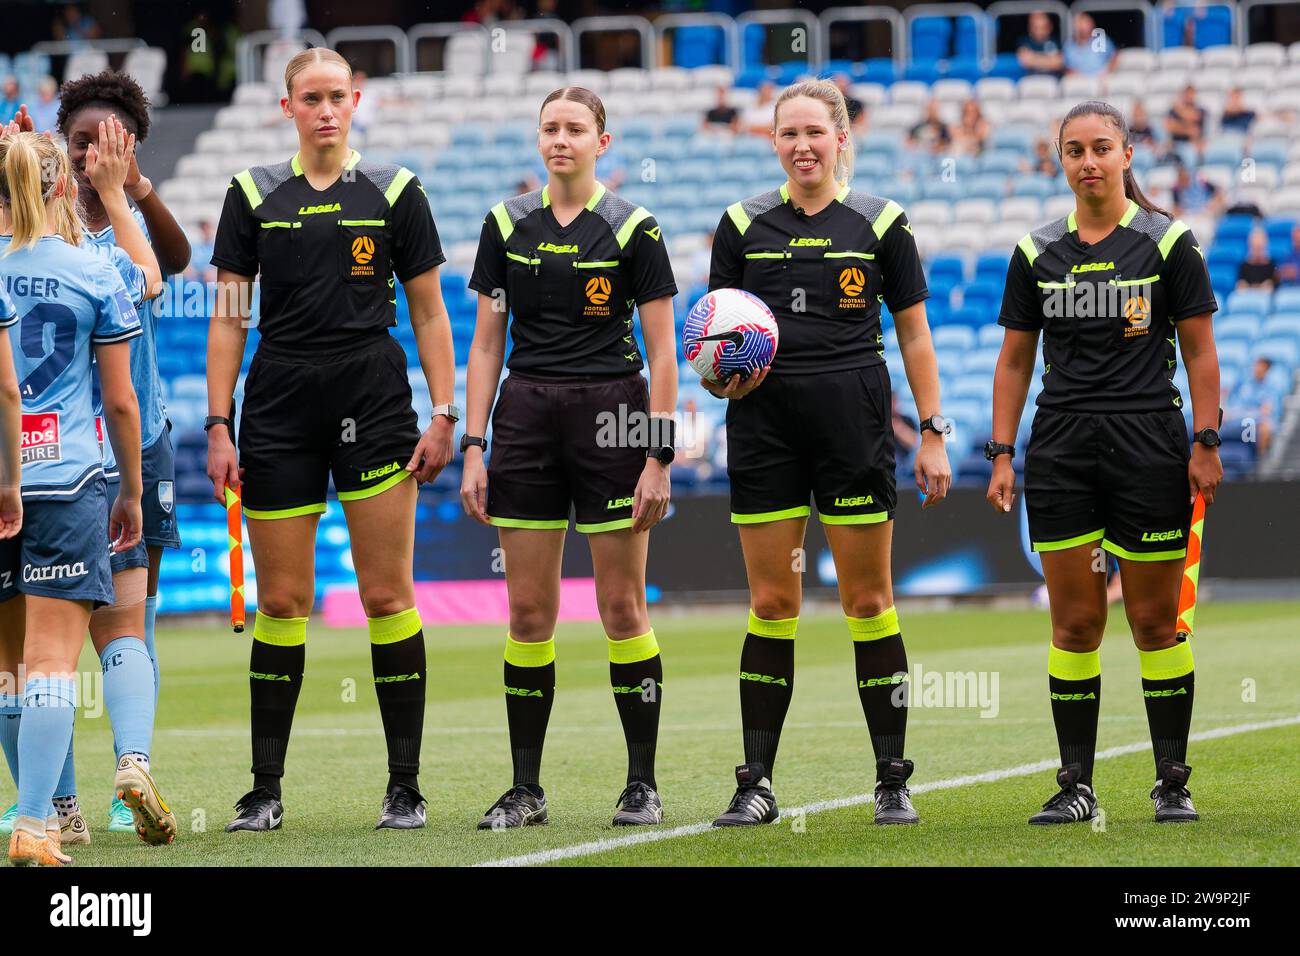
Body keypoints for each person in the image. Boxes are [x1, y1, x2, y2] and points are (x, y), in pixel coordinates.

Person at [207, 48, 455, 832]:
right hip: (278, 403)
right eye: (309, 98)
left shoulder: (396, 191)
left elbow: (429, 311)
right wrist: (218, 423)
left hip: (373, 397)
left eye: (336, 97)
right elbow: (228, 318)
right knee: (283, 601)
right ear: (286, 106)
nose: (324, 110)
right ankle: (264, 792)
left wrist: (445, 412)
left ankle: (405, 788)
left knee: (387, 595)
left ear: (356, 101)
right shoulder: (252, 193)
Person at [703, 79, 950, 828]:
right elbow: (714, 333)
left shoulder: (882, 222)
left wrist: (932, 430)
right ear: (774, 141)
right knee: (771, 604)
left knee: (868, 602)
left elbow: (914, 334)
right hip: (764, 426)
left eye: (815, 132)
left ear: (841, 138)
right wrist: (715, 375)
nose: (803, 145)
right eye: (789, 133)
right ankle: (755, 784)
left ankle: (892, 781)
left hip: (854, 421)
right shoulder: (741, 224)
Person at [988, 100, 1221, 826]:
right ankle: (1075, 786)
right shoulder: (1035, 252)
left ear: (1126, 154)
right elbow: (1014, 360)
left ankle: (1172, 783)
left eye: (1100, 148)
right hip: (1061, 449)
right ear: (1060, 160)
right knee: (1074, 625)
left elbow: (1200, 351)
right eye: (1074, 150)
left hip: (1150, 444)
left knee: (1154, 623)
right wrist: (1002, 453)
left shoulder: (1168, 242)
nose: (1087, 161)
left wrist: (1206, 441)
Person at [462, 86, 677, 829]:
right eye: (550, 127)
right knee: (527, 611)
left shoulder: (634, 228)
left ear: (601, 142)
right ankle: (525, 789)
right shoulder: (505, 224)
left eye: (575, 129)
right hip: (525, 414)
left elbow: (663, 351)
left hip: (613, 415)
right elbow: (486, 343)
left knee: (622, 607)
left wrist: (658, 456)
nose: (561, 139)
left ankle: (641, 784)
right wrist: (474, 445)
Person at [0, 131, 143, 866]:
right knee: (53, 661)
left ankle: (48, 814)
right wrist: (133, 491)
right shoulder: (95, 271)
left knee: (8, 669)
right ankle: (34, 825)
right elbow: (121, 401)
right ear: (62, 188)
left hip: (2, 486)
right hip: (66, 482)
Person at [55, 70, 191, 833]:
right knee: (71, 630)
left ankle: (108, 788)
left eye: (106, 143)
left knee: (131, 618)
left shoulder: (128, 220)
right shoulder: (40, 223)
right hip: (83, 449)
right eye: (79, 141)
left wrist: (131, 188)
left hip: (139, 440)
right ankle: (85, 786)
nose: (90, 156)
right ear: (60, 144)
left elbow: (171, 261)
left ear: (131, 146)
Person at [1226, 357, 1281, 454]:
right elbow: (1230, 400)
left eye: (1261, 367)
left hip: (1255, 419)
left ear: (1267, 369)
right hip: (1237, 416)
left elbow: (1266, 410)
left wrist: (1251, 416)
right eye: (1257, 365)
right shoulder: (1243, 381)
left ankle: (1259, 459)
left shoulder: (1271, 387)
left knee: (1265, 428)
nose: (1257, 369)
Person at [1017, 11, 1064, 77]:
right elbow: (1025, 61)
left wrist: (1033, 58)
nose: (1040, 32)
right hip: (1032, 79)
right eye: (1036, 27)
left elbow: (1058, 63)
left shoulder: (1055, 41)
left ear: (1050, 27)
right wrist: (1049, 60)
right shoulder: (1024, 41)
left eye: (1043, 27)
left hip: (1053, 79)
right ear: (1030, 27)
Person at [1165, 85, 1206, 157]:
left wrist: (1179, 110)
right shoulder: (1173, 111)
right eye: (1187, 93)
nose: (1189, 96)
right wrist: (1188, 129)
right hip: (1176, 144)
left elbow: (1195, 124)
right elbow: (1169, 127)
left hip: (1193, 145)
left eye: (1191, 94)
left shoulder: (1200, 109)